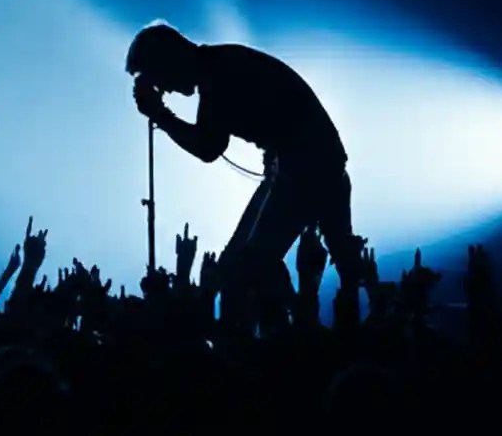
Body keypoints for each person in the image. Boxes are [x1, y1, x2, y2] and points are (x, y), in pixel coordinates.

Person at [125, 20, 362, 331]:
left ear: (168, 60)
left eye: (159, 78)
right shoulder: (221, 64)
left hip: (302, 168)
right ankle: (313, 322)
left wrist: (161, 115)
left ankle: (283, 338)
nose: (165, 89)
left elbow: (208, 147)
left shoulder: (216, 78)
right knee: (332, 261)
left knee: (245, 269)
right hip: (309, 164)